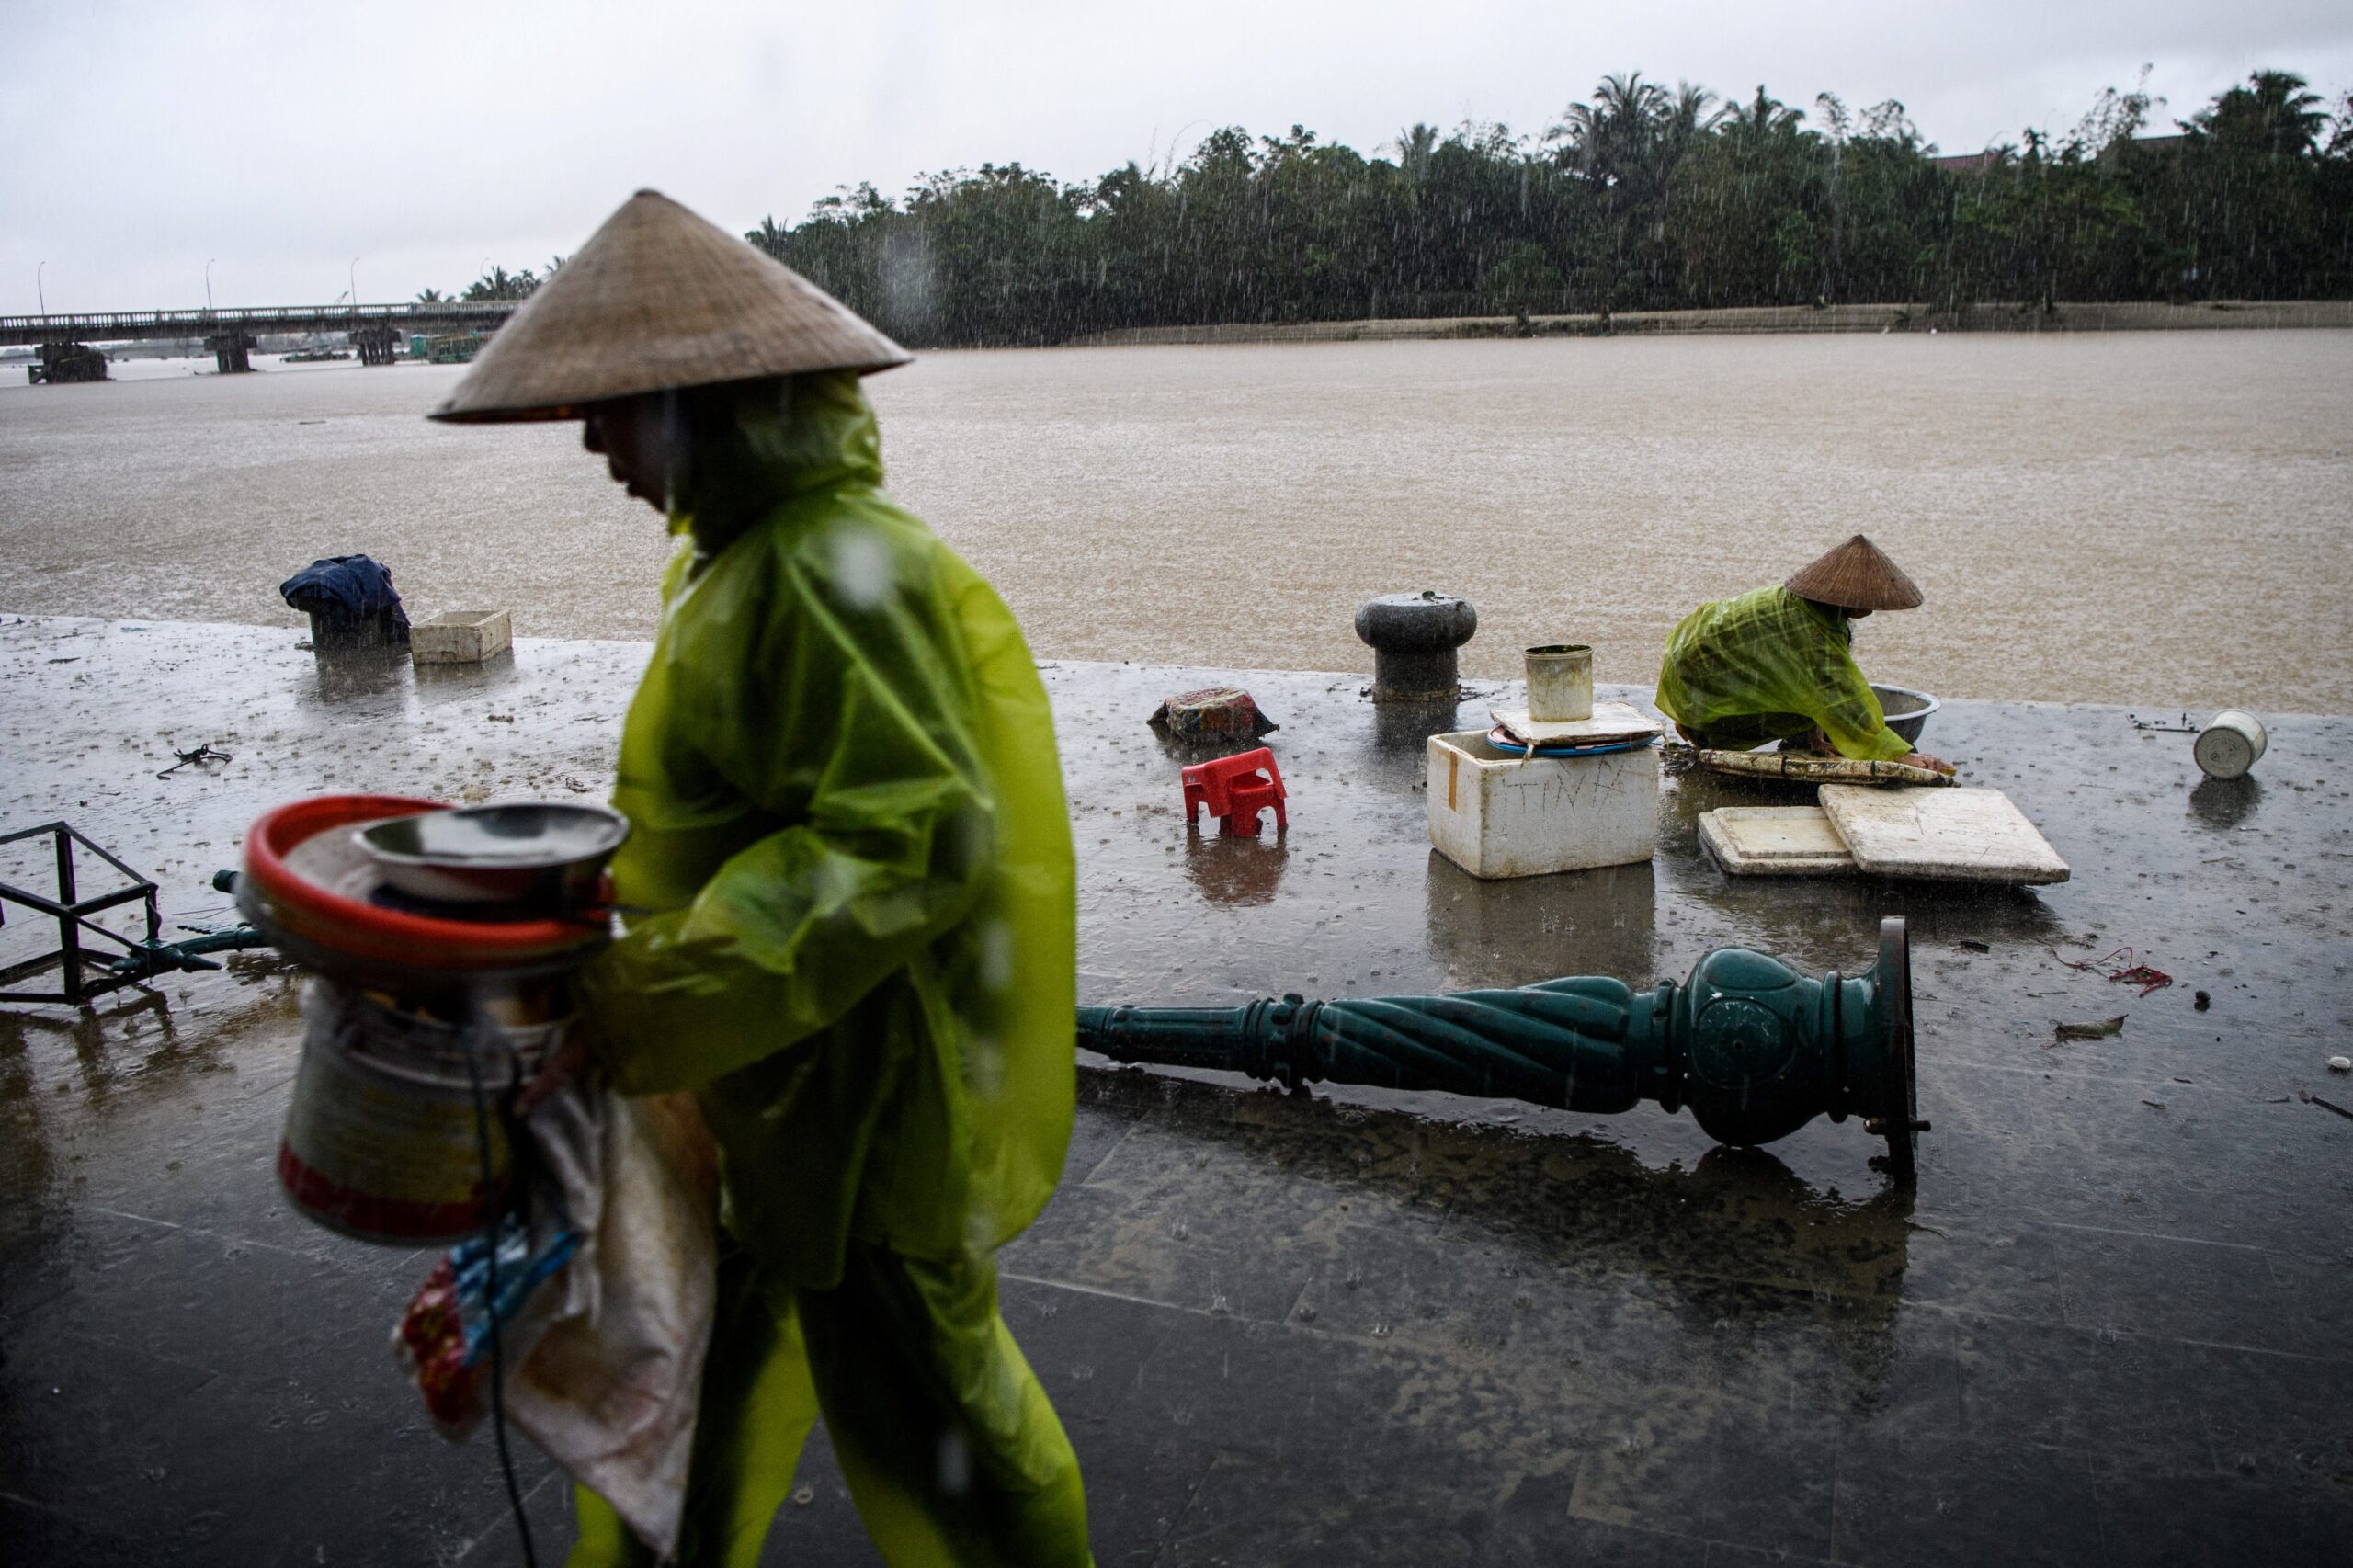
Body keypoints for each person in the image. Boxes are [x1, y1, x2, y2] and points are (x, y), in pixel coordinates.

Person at [432, 190, 1091, 1568]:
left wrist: (635, 997)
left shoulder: (822, 575)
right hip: (763, 1078)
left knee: (942, 1419)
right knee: (697, 1395)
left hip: (855, 1105)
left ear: (703, 407)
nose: (592, 440)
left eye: (613, 410)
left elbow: (901, 840)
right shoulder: (742, 558)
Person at [1654, 534, 1954, 774]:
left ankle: (1710, 728)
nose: (1871, 608)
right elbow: (1842, 696)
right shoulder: (1806, 630)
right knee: (1821, 702)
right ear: (1845, 597)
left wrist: (1818, 739)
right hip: (1698, 683)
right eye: (1867, 600)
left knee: (1799, 692)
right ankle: (1706, 731)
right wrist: (1897, 753)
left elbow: (1809, 685)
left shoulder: (1815, 613)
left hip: (1697, 664)